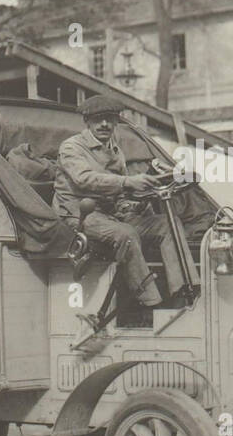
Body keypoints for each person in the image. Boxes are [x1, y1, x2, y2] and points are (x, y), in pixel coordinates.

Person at [54, 95, 198, 307]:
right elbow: (84, 179)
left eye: (110, 119)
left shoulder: (115, 151)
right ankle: (150, 303)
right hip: (81, 216)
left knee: (169, 223)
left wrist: (140, 197)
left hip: (112, 215)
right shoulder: (71, 148)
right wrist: (128, 182)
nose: (105, 124)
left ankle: (185, 292)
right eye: (98, 119)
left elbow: (121, 195)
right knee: (126, 234)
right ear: (87, 121)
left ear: (116, 122)